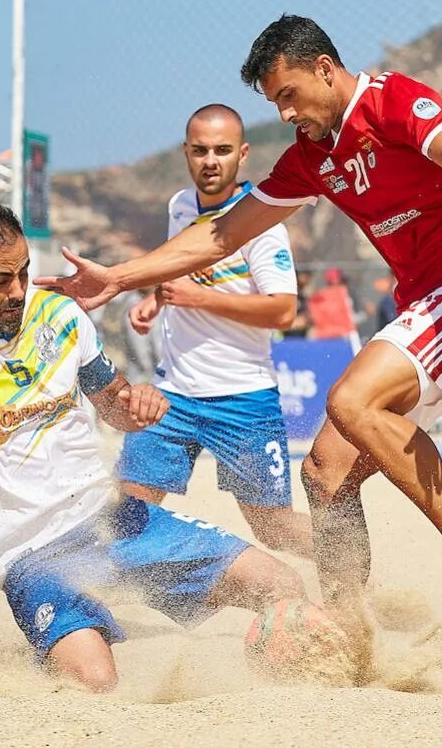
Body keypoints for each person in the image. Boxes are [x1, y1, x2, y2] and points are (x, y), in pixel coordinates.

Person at [37, 14, 442, 620]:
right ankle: (348, 625)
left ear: (325, 68)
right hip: (428, 308)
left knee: (350, 401)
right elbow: (221, 235)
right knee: (325, 474)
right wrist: (119, 276)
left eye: (289, 96)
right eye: (276, 103)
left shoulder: (392, 100)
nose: (286, 113)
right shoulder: (311, 157)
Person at [0, 204, 339, 692]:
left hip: (114, 519)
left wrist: (137, 407)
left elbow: (113, 404)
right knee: (96, 682)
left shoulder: (60, 317)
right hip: (35, 553)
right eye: (1, 280)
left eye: (24, 273)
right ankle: (61, 638)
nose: (18, 291)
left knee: (279, 584)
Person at [119, 104, 312, 558]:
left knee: (275, 528)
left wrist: (194, 298)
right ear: (186, 152)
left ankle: (355, 570)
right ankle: (107, 606)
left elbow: (283, 311)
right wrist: (157, 298)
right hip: (174, 393)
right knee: (127, 509)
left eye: (222, 151)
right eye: (201, 150)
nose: (211, 161)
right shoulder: (180, 206)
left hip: (243, 398)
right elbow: (185, 272)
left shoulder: (261, 226)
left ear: (242, 154)